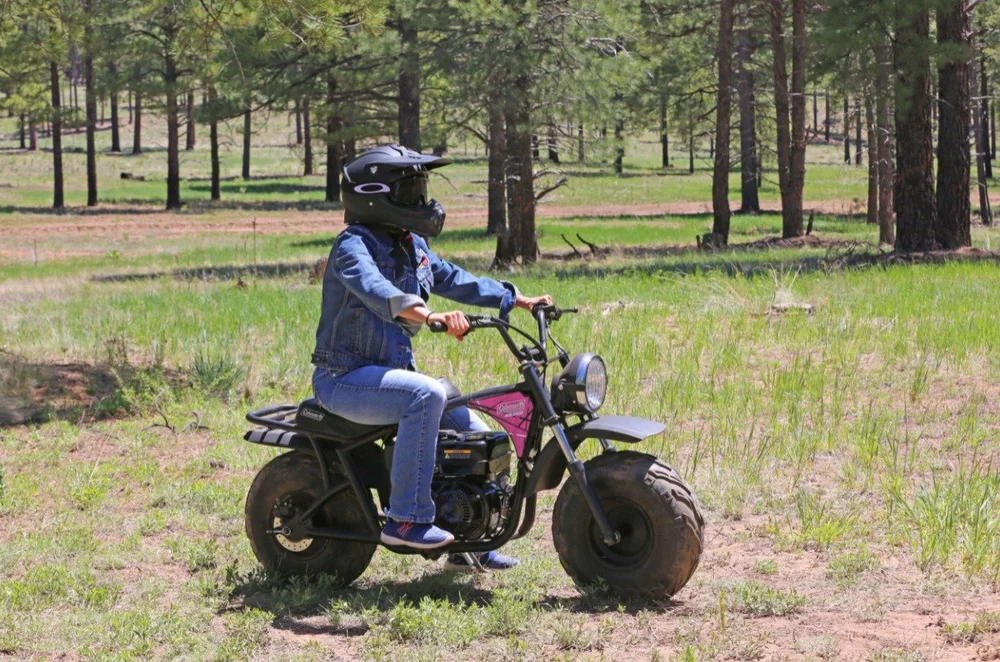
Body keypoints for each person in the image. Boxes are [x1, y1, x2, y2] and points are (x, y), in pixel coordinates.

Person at [311, 145, 551, 570]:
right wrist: (429, 314)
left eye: (421, 189)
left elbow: (453, 278)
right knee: (425, 395)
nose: (421, 202)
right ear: (375, 195)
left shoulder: (411, 244)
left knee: (478, 432)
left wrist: (516, 299)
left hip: (390, 376)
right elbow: (376, 289)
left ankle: (469, 540)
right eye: (411, 191)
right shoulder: (352, 246)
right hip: (344, 379)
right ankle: (405, 519)